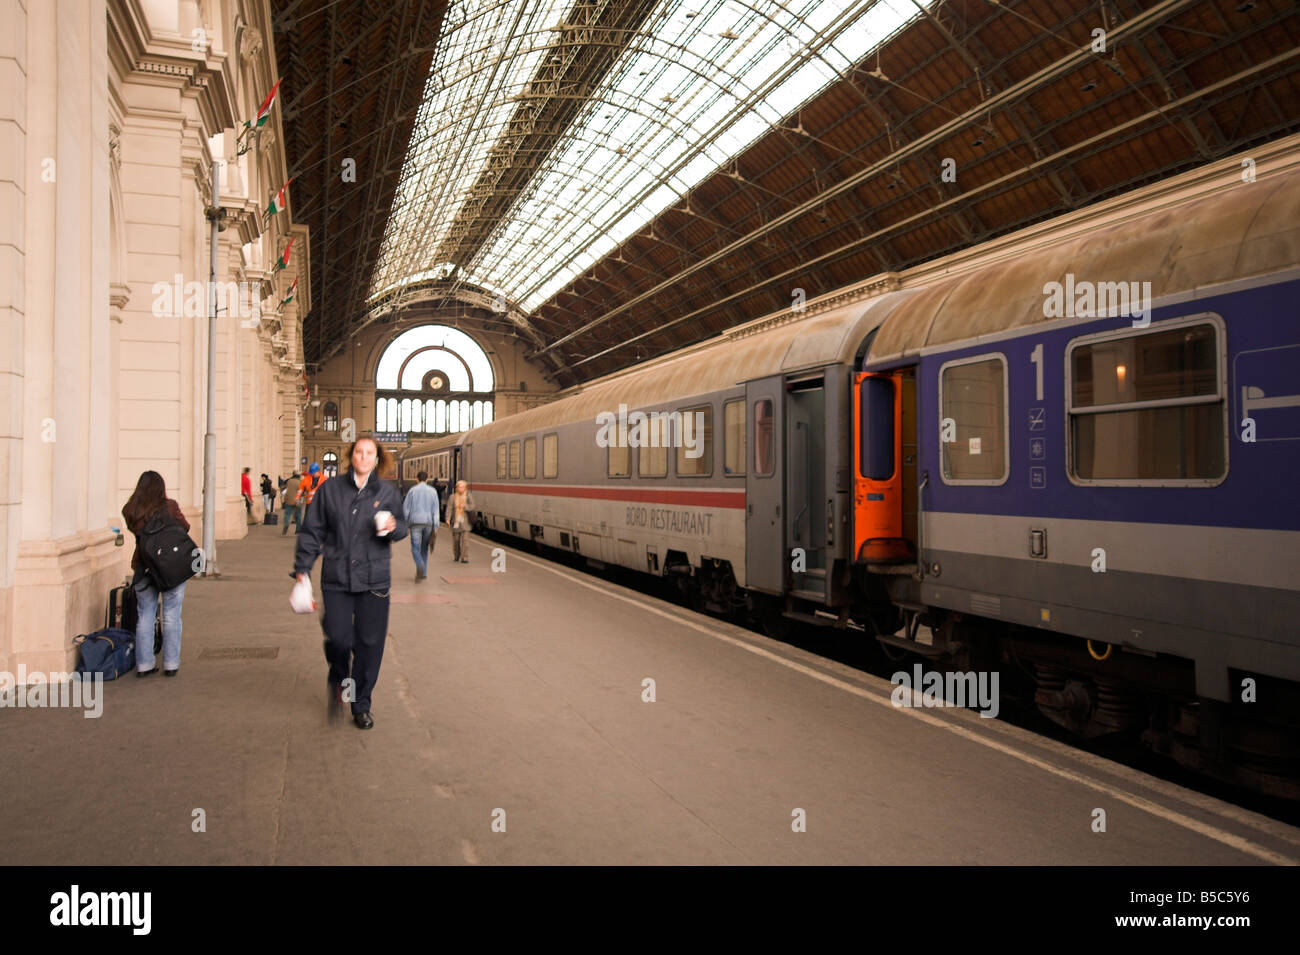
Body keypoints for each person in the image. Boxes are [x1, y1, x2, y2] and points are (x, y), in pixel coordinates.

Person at [292, 437, 408, 730]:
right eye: (359, 451)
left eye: (370, 453)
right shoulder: (330, 490)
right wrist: (302, 569)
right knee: (339, 638)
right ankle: (338, 678)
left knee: (370, 646)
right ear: (351, 455)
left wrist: (393, 528)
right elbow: (311, 531)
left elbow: (403, 526)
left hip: (374, 580)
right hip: (337, 578)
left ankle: (361, 704)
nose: (364, 457)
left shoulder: (387, 491)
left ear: (377, 458)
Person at [122, 471, 189, 677]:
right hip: (170, 568)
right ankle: (170, 663)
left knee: (145, 616)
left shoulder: (131, 510)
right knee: (171, 615)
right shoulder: (169, 507)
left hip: (144, 567)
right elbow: (184, 527)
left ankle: (144, 664)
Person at [402, 470, 439, 582]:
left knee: (415, 548)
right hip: (428, 523)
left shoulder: (412, 491)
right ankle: (423, 573)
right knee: (424, 549)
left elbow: (406, 509)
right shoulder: (433, 492)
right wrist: (436, 526)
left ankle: (419, 564)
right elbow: (436, 510)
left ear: (416, 479)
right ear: (427, 479)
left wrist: (405, 523)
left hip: (415, 523)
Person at [449, 480, 474, 563]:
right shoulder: (452, 497)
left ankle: (465, 557)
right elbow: (449, 509)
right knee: (456, 541)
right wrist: (447, 518)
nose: (461, 489)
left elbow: (472, 506)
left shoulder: (468, 496)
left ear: (465, 488)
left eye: (463, 487)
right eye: (459, 487)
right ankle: (457, 555)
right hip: (456, 522)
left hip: (465, 522)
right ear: (457, 488)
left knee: (465, 541)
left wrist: (465, 506)